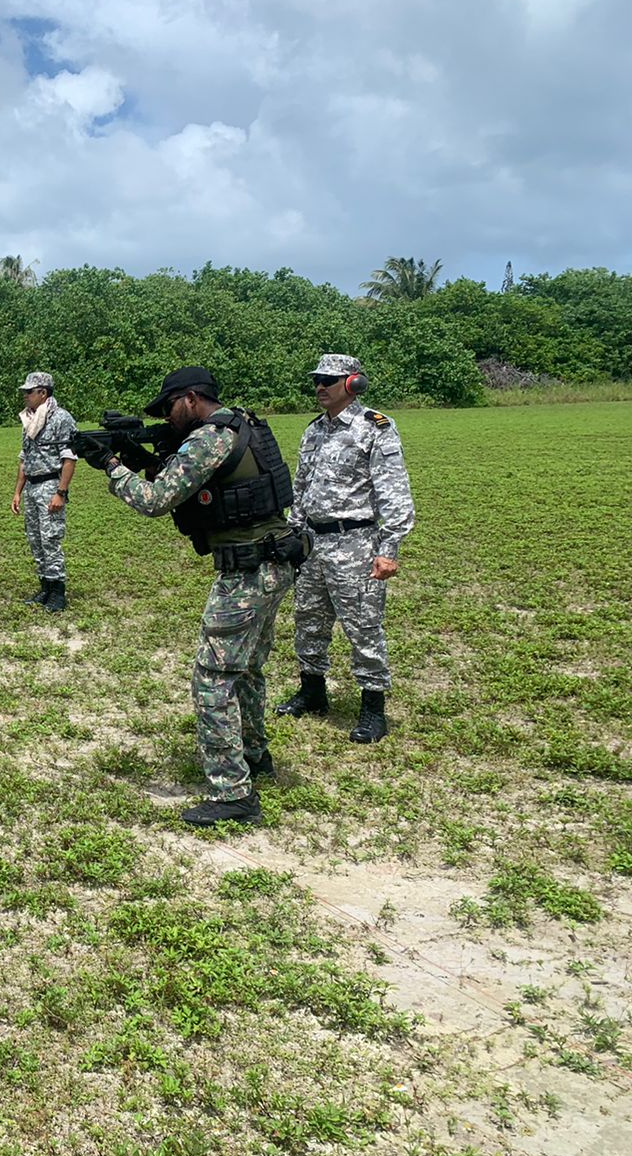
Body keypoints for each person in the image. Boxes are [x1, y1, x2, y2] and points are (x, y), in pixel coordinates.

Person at [88, 366, 306, 826]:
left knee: (213, 678)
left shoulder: (209, 438)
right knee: (246, 669)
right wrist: (136, 451)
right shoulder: (240, 425)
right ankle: (254, 754)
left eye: (169, 409)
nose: (167, 419)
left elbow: (154, 499)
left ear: (190, 399)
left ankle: (233, 793)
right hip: (274, 561)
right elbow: (191, 479)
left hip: (247, 571)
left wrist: (112, 466)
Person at [275, 353, 415, 743]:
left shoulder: (375, 427)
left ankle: (373, 708)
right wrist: (294, 533)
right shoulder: (313, 430)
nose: (320, 387)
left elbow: (394, 491)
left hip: (356, 541)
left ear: (353, 383)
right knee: (309, 621)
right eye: (317, 380)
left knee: (363, 626)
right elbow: (301, 488)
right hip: (314, 543)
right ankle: (312, 690)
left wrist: (389, 547)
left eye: (329, 380)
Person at [11, 372, 76, 612]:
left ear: (43, 393)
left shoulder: (61, 418)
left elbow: (69, 458)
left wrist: (61, 492)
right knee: (35, 539)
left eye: (29, 392)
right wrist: (18, 491)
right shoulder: (29, 420)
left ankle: (58, 592)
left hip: (50, 484)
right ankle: (45, 587)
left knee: (50, 539)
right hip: (32, 486)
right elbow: (24, 459)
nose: (25, 396)